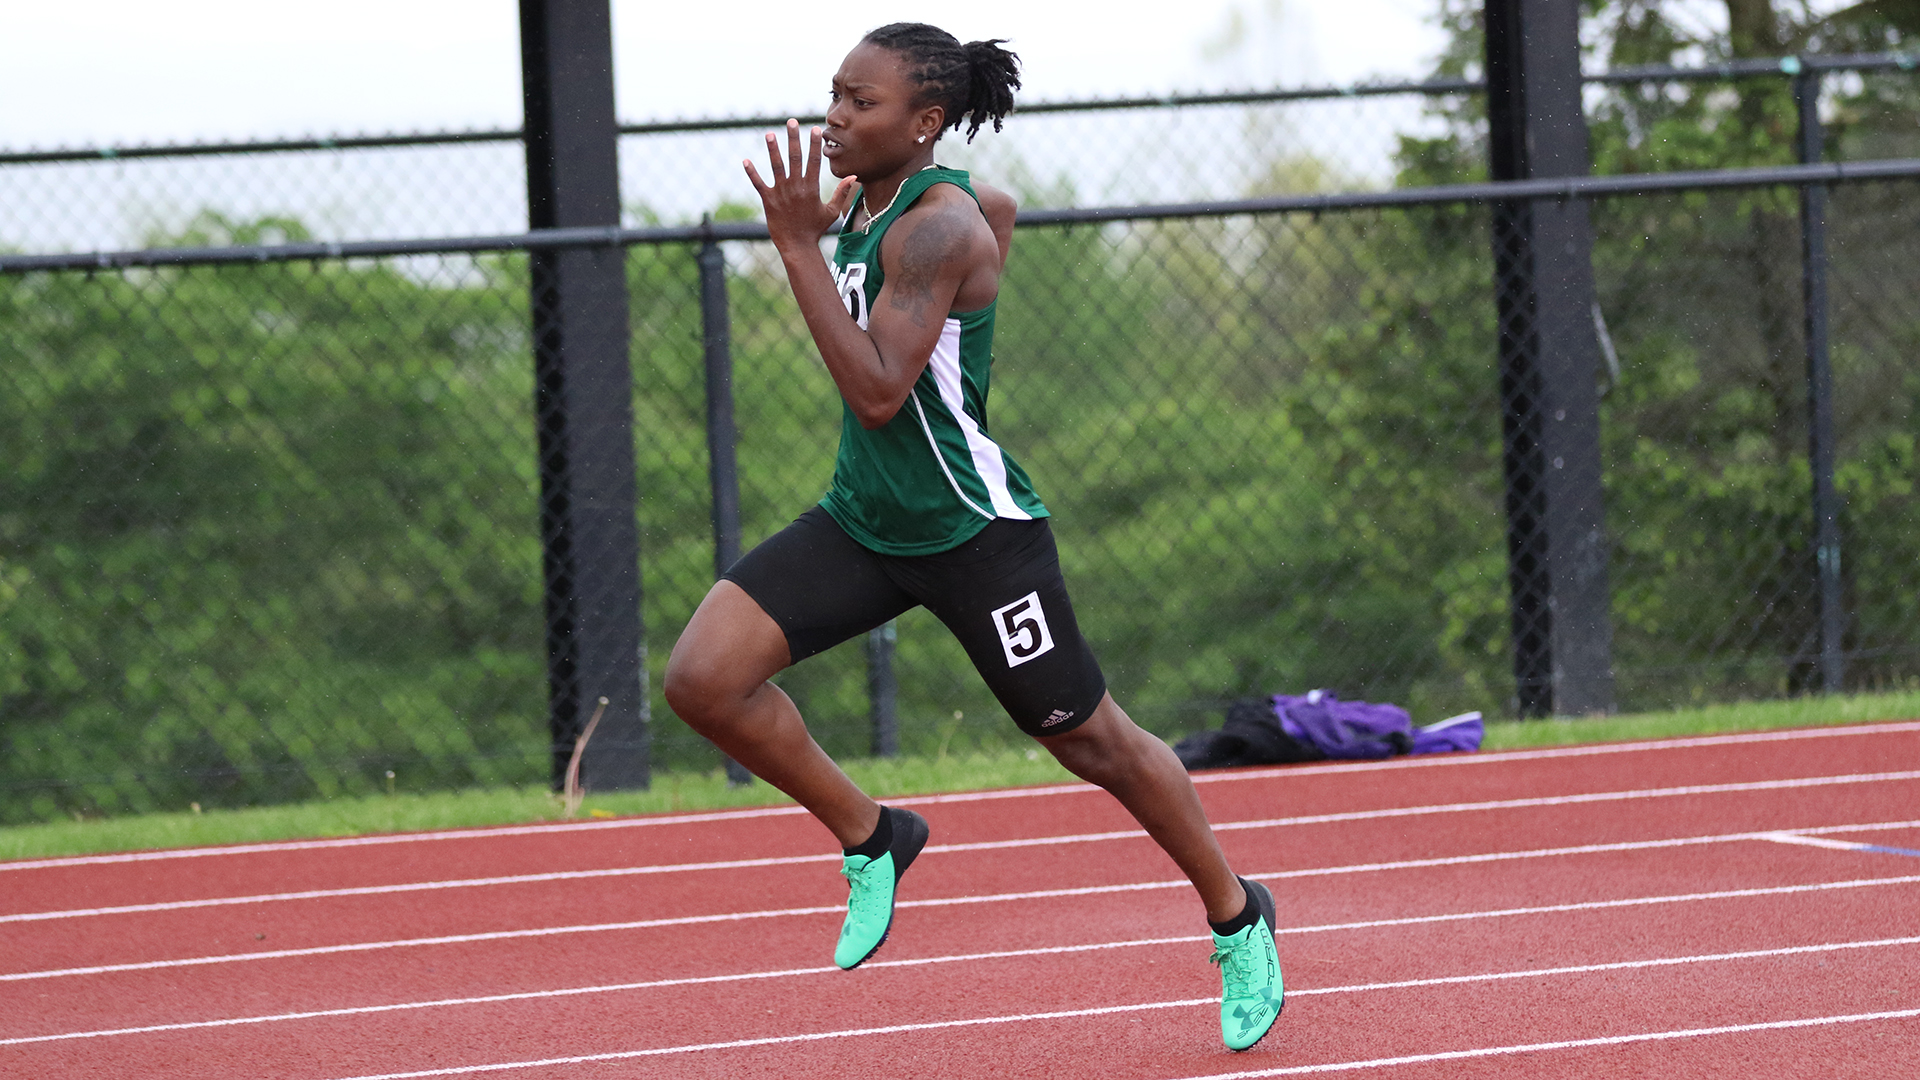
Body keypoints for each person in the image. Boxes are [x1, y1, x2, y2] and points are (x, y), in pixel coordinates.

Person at [663, 22, 1283, 1053]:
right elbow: (1000, 206)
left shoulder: (936, 229)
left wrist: (796, 246)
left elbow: (876, 391)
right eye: (835, 93)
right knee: (703, 679)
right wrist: (843, 239)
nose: (835, 116)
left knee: (1093, 742)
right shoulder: (887, 202)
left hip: (974, 534)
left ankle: (1236, 912)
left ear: (926, 122)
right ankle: (874, 835)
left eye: (861, 102)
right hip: (865, 521)